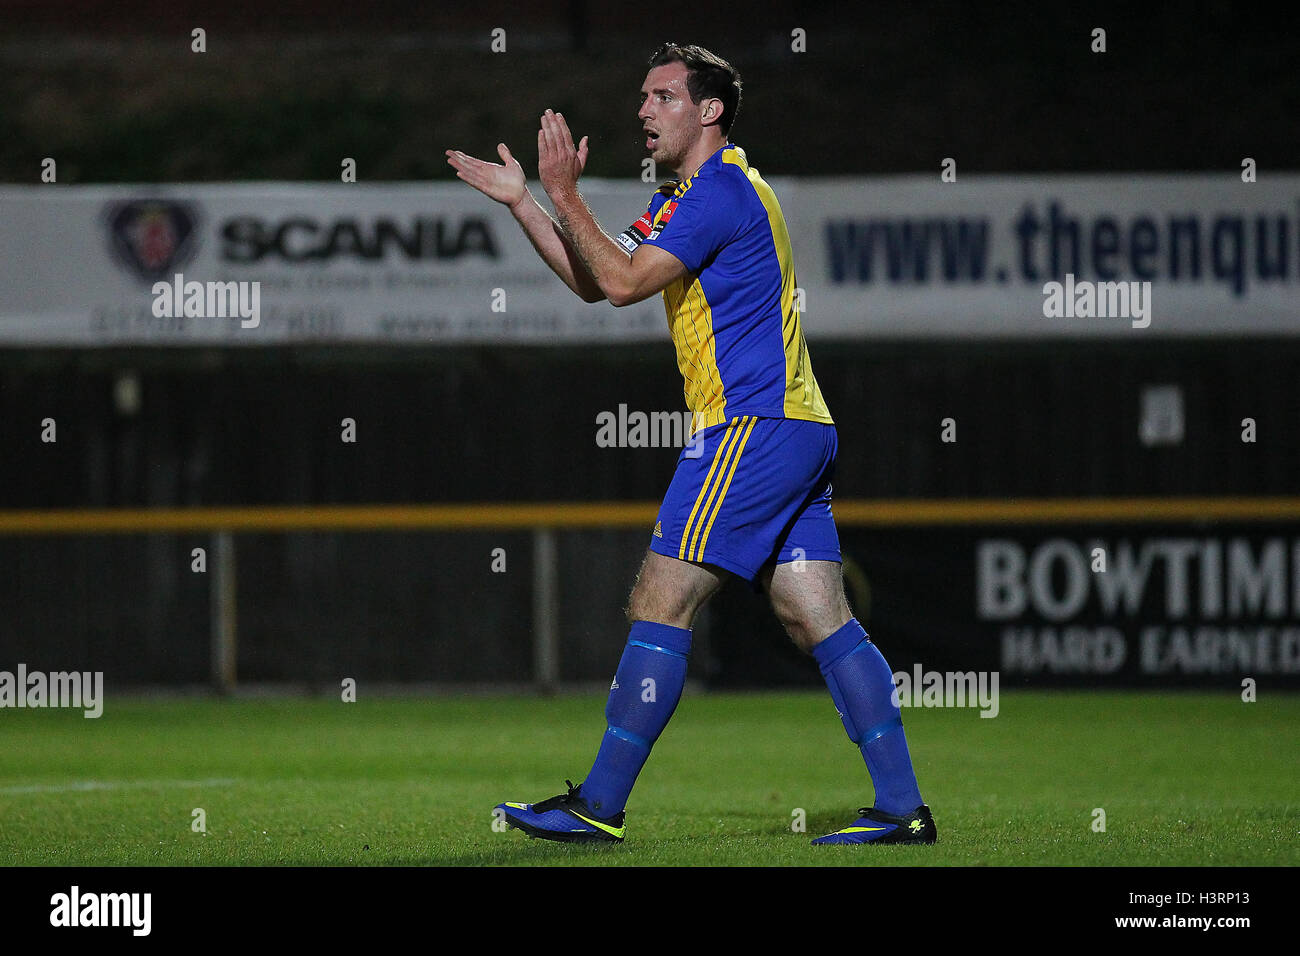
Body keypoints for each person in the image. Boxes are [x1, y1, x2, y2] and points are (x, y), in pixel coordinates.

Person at [445, 42, 935, 846]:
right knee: (817, 615)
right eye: (643, 97)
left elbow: (626, 283)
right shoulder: (692, 196)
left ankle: (597, 804)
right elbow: (597, 280)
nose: (644, 110)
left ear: (709, 111)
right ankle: (902, 809)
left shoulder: (716, 192)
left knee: (659, 600)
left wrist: (565, 192)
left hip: (749, 426)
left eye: (663, 96)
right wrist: (527, 203)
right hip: (797, 426)